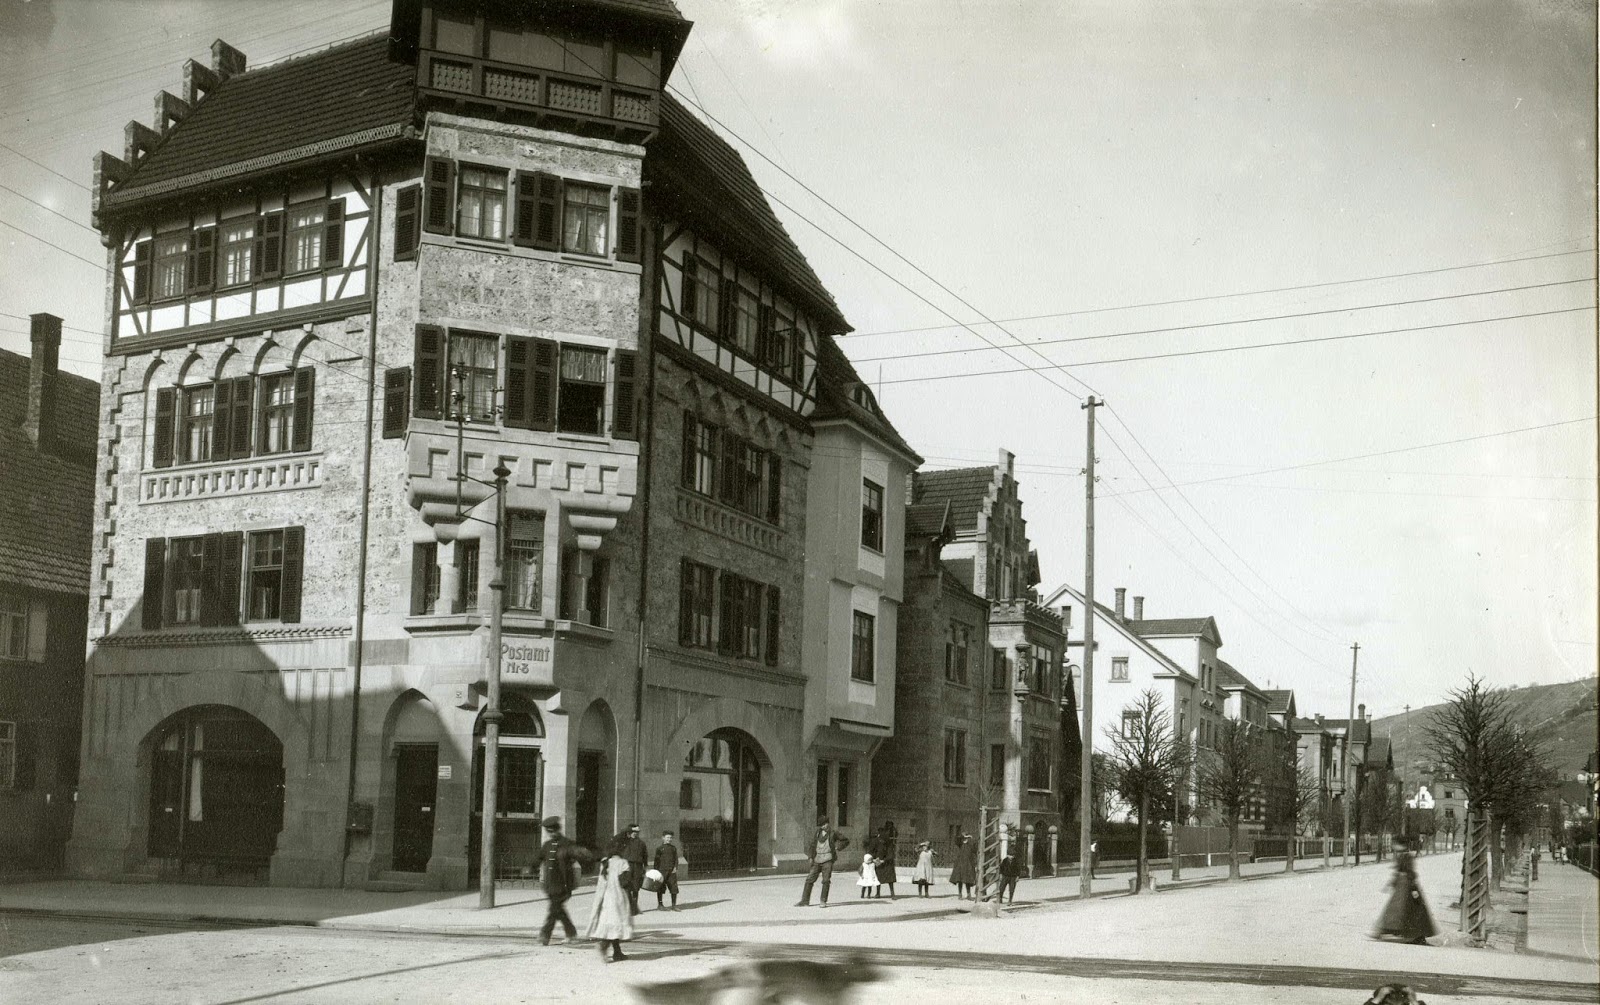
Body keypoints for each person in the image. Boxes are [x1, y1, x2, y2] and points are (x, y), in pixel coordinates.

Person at [537, 816, 591, 946]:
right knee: (558, 910)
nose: (551, 834)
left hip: (563, 884)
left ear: (558, 829)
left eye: (553, 831)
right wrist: (531, 867)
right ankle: (571, 933)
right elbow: (539, 858)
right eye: (549, 831)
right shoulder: (547, 845)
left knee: (554, 909)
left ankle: (545, 935)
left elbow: (580, 856)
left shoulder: (567, 844)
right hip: (550, 884)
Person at [1372, 842, 1437, 945]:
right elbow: (1397, 872)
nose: (1394, 846)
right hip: (1402, 886)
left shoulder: (1407, 857)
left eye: (1396, 844)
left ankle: (1414, 934)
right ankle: (1386, 931)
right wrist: (1391, 884)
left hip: (1407, 885)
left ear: (1402, 846)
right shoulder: (1401, 856)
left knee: (1408, 910)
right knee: (1396, 910)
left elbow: (1410, 872)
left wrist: (1413, 889)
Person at [587, 835, 635, 963]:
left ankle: (617, 952)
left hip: (607, 898)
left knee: (611, 924)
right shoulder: (623, 863)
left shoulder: (605, 863)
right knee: (617, 925)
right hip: (619, 897)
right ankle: (603, 946)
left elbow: (601, 883)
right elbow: (625, 882)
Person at [797, 815, 850, 908]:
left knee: (826, 881)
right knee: (809, 879)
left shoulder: (833, 833)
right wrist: (810, 856)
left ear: (828, 824)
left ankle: (823, 901)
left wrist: (839, 847)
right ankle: (805, 901)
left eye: (825, 824)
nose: (824, 826)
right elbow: (813, 845)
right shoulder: (817, 833)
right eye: (822, 825)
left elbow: (846, 840)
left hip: (828, 860)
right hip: (817, 860)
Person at [620, 823, 649, 917]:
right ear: (629, 832)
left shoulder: (641, 843)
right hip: (627, 866)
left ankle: (634, 908)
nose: (635, 833)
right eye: (633, 832)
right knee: (627, 886)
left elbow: (645, 856)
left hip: (638, 866)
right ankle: (628, 908)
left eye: (637, 832)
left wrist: (646, 867)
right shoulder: (625, 842)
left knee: (636, 887)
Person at [652, 831, 681, 910]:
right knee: (660, 888)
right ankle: (660, 905)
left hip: (671, 871)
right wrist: (656, 871)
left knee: (673, 888)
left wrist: (675, 867)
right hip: (662, 871)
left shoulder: (673, 848)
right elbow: (656, 861)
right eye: (667, 837)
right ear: (663, 838)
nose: (669, 839)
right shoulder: (659, 849)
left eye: (671, 838)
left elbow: (676, 859)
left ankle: (674, 905)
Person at [949, 832, 977, 900]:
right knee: (960, 880)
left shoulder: (970, 844)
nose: (966, 839)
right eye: (965, 838)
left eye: (967, 838)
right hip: (960, 864)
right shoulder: (960, 844)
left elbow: (974, 849)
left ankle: (968, 895)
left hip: (968, 864)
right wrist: (962, 836)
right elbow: (957, 840)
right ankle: (960, 894)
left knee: (968, 880)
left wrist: (971, 838)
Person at [874, 822, 899, 899]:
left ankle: (892, 894)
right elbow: (873, 851)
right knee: (878, 879)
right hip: (879, 862)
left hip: (887, 863)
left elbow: (890, 854)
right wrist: (874, 859)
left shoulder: (889, 843)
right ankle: (877, 893)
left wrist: (884, 860)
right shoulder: (877, 842)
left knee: (890, 879)